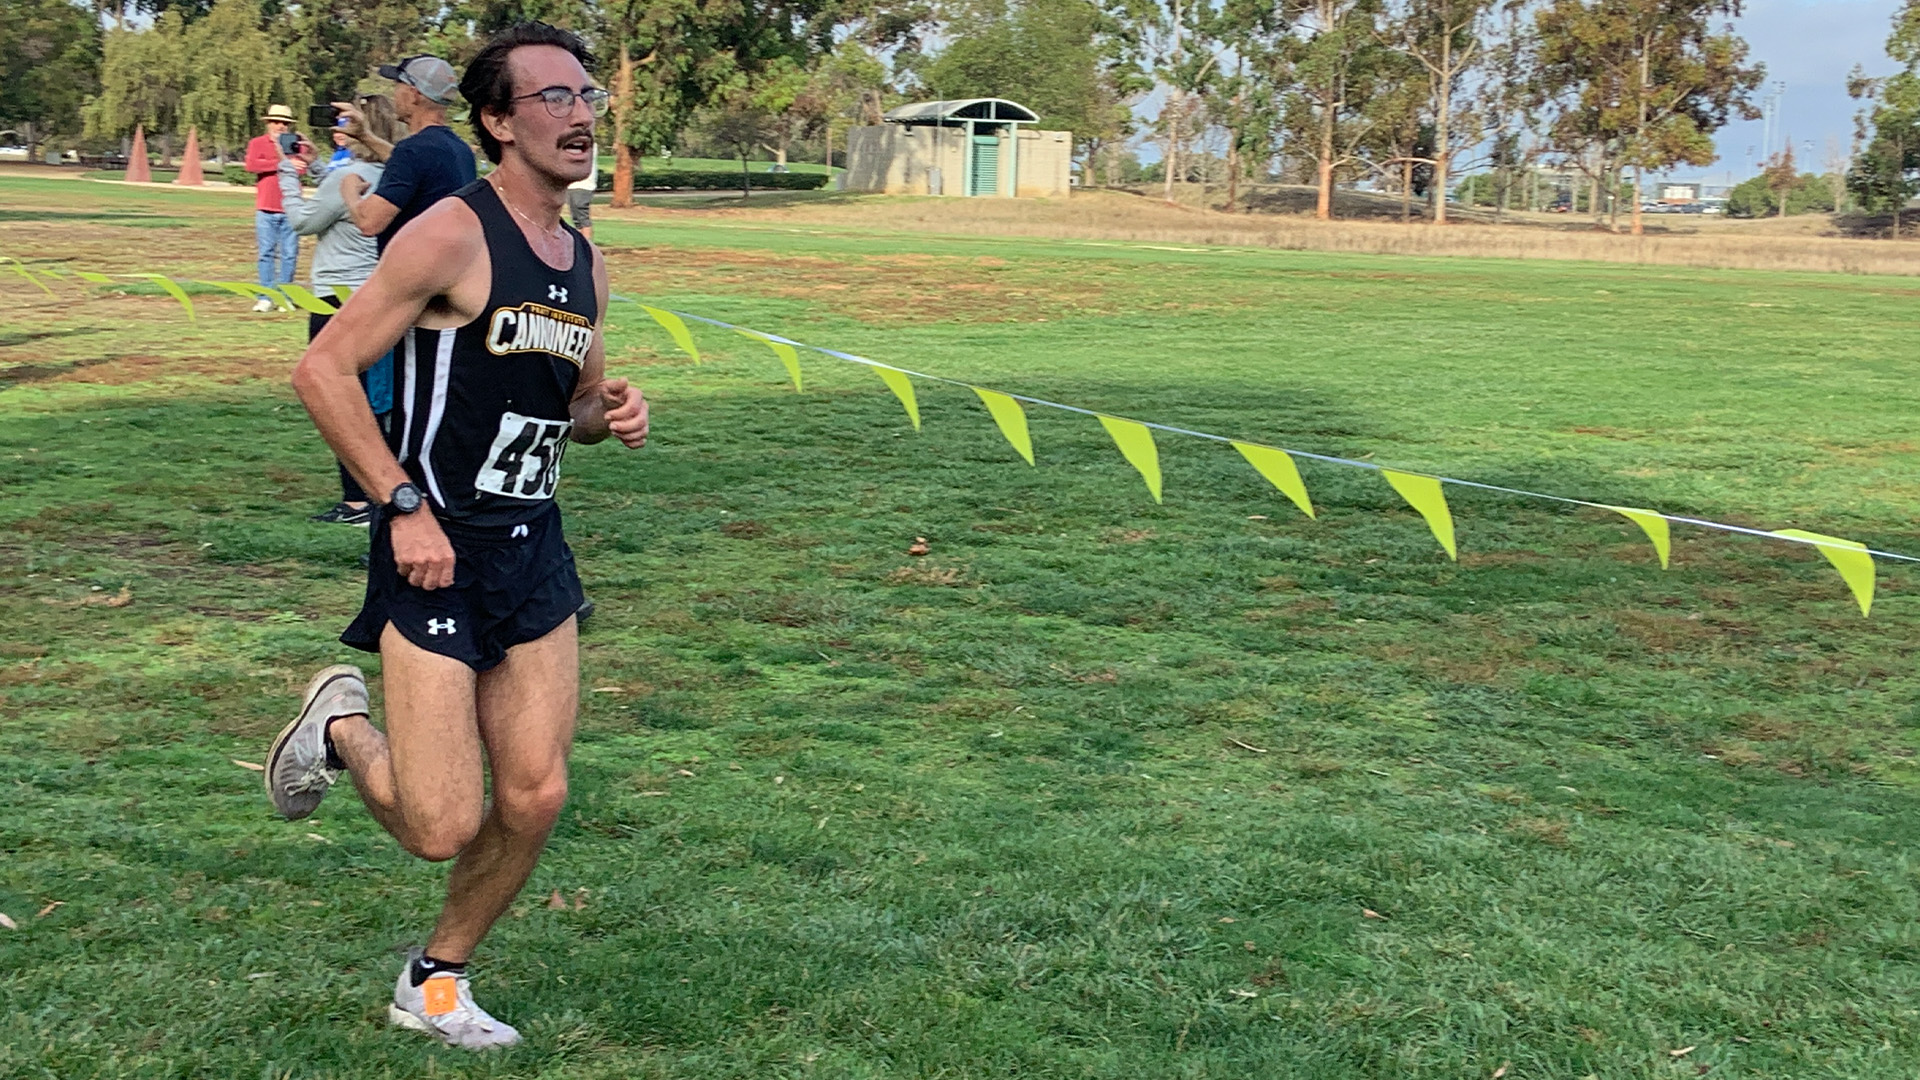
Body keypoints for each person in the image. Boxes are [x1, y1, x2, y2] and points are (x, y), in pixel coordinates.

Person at [269, 22, 638, 1050]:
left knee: (537, 792)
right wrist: (399, 503)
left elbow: (573, 407)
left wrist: (614, 414)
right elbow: (322, 370)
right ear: (497, 123)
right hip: (434, 549)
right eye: (551, 99)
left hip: (534, 553)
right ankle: (338, 721)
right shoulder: (451, 234)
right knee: (441, 826)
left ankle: (436, 979)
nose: (578, 116)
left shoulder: (587, 263)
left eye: (585, 97)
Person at [278, 95, 406, 526]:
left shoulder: (348, 176)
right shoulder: (396, 173)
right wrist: (317, 169)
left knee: (338, 397)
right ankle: (386, 491)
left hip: (336, 298)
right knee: (379, 399)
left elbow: (302, 221)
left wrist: (287, 172)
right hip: (381, 296)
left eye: (346, 121)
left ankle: (357, 501)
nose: (337, 126)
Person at [333, 55, 477, 251]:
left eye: (398, 84)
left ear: (413, 94)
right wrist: (364, 136)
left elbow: (369, 223)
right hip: (446, 270)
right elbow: (417, 168)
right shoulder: (459, 149)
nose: (394, 93)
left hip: (410, 274)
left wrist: (349, 190)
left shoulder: (412, 150)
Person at [244, 104, 304, 312]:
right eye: (276, 122)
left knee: (289, 253)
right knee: (266, 253)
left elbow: (302, 168)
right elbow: (252, 165)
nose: (281, 126)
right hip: (265, 206)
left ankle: (285, 295)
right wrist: (282, 163)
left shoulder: (296, 144)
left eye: (285, 123)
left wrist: (278, 162)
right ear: (268, 123)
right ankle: (266, 295)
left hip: (290, 207)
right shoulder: (257, 143)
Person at [565, 137, 596, 239]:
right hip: (571, 185)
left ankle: (587, 243)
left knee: (582, 214)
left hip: (584, 184)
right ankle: (580, 242)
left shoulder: (587, 145)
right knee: (576, 217)